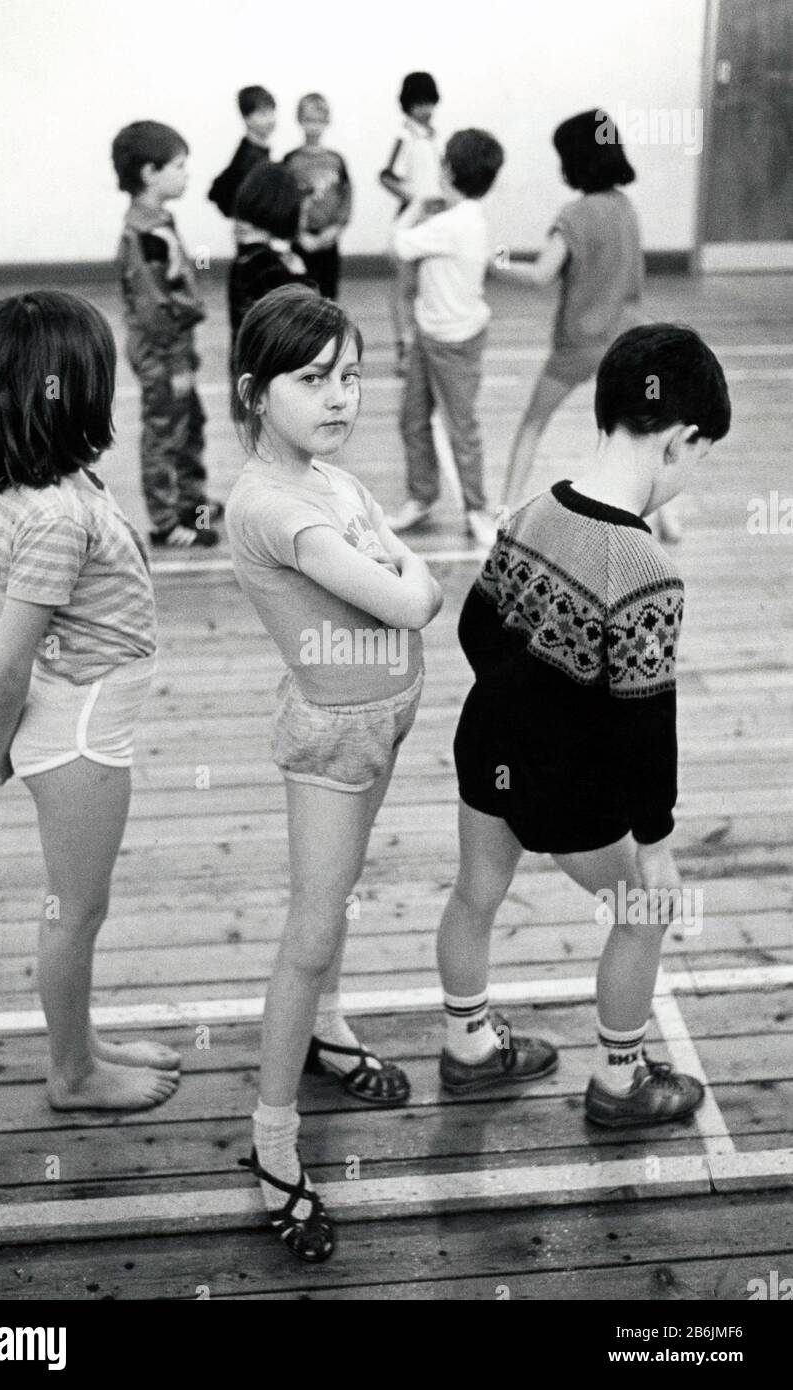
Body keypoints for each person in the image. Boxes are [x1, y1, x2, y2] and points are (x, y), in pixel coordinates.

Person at [438, 324, 730, 1126]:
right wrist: (658, 843)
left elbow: (475, 628)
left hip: (488, 748)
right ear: (679, 442)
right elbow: (645, 727)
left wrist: (519, 699)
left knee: (474, 894)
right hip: (568, 784)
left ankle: (467, 1049)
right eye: (700, 457)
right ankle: (620, 1081)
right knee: (644, 910)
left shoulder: (533, 509)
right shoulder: (646, 571)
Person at [225, 285, 443, 1262]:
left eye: (350, 375)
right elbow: (406, 599)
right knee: (309, 929)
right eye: (312, 380)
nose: (339, 396)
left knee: (338, 901)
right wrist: (408, 582)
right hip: (331, 737)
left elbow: (417, 580)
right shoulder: (274, 503)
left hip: (383, 715)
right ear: (252, 390)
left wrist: (409, 581)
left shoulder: (336, 482)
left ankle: (329, 1027)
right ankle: (275, 1146)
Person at [0, 291, 181, 1113]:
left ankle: (82, 1041)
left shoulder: (49, 487)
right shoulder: (58, 516)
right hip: (80, 734)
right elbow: (0, 662)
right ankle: (72, 1074)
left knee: (79, 906)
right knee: (75, 909)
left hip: (80, 718)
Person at [495, 108, 682, 542]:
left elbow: (541, 274)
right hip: (631, 340)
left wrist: (497, 264)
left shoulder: (575, 214)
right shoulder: (625, 207)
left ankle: (504, 513)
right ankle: (670, 516)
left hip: (578, 344)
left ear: (573, 161)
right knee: (652, 427)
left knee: (532, 424)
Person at [386, 129, 504, 550]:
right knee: (412, 420)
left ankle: (476, 508)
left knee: (461, 428)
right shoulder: (465, 217)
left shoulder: (453, 224)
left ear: (447, 169)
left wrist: (414, 203)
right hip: (429, 335)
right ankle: (422, 496)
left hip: (455, 343)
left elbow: (398, 246)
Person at [112, 120, 221, 549]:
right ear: (149, 173)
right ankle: (165, 520)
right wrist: (176, 363)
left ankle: (192, 505)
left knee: (191, 424)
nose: (186, 173)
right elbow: (154, 309)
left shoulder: (160, 221)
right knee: (165, 431)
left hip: (178, 345)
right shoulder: (142, 236)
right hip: (163, 351)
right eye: (178, 165)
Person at [379, 71, 443, 375]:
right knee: (405, 288)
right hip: (410, 224)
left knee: (429, 288)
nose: (424, 108)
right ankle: (404, 349)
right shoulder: (406, 136)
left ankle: (422, 350)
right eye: (418, 102)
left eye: (428, 101)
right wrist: (415, 200)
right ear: (407, 104)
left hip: (435, 224)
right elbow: (387, 175)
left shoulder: (434, 137)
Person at [227, 162, 310, 362]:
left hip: (251, 363)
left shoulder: (251, 256)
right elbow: (299, 317)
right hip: (268, 367)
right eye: (302, 210)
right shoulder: (266, 264)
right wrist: (300, 276)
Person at [283, 93, 352, 299]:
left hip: (328, 239)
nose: (313, 126)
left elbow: (346, 197)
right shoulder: (291, 160)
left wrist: (335, 229)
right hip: (300, 240)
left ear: (327, 122)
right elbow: (284, 201)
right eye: (308, 120)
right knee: (301, 296)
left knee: (328, 296)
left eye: (319, 121)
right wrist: (298, 234)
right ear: (299, 120)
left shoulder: (336, 160)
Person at [208, 85, 276, 244]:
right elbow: (219, 193)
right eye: (262, 114)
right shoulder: (248, 157)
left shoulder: (258, 151)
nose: (271, 119)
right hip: (253, 236)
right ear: (247, 118)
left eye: (272, 112)